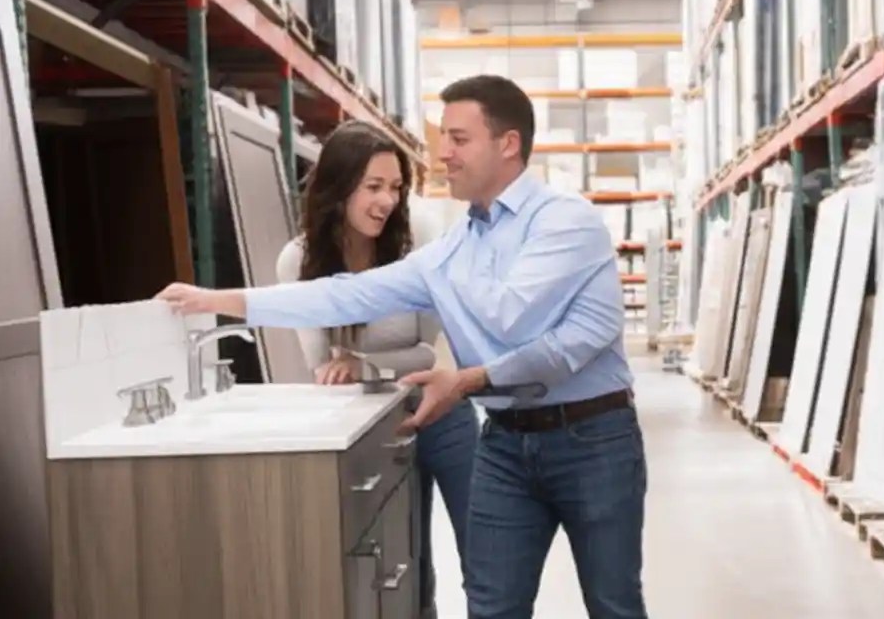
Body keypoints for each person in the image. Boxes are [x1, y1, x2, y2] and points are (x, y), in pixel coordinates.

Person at [158, 75, 648, 619]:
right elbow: (345, 296)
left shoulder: (564, 220)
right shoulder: (460, 241)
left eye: (459, 139)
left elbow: (513, 317)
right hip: (506, 443)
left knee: (613, 605)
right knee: (491, 608)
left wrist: (442, 294)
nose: (444, 154)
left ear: (507, 144)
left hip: (590, 439)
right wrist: (219, 300)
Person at [273, 121, 477, 619]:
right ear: (339, 187)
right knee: (411, 565)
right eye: (374, 187)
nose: (387, 201)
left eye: (395, 188)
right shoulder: (297, 261)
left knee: (486, 555)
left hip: (443, 417)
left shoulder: (419, 239)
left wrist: (361, 362)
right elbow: (321, 367)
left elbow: (426, 352)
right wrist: (350, 368)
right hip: (375, 431)